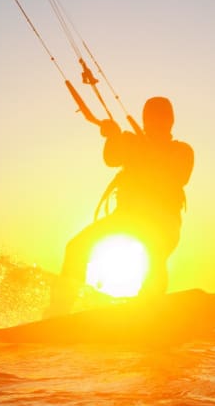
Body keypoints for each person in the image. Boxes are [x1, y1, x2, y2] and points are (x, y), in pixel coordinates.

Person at [45, 96, 194, 317]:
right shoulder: (132, 143)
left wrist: (143, 149)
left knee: (155, 251)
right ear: (145, 121)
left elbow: (179, 177)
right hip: (126, 217)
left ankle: (149, 305)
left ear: (170, 122)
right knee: (76, 247)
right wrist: (113, 136)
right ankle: (59, 311)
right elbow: (111, 159)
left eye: (161, 119)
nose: (155, 123)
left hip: (163, 222)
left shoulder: (182, 150)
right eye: (150, 119)